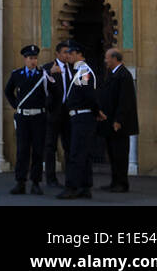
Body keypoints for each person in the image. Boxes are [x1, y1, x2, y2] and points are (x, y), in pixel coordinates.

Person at [4, 44, 58, 195]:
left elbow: (55, 93)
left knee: (37, 150)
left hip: (39, 117)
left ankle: (35, 182)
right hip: (23, 117)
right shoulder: (17, 74)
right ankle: (20, 182)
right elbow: (8, 91)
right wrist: (16, 105)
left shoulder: (43, 75)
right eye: (30, 58)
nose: (33, 61)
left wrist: (48, 107)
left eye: (35, 58)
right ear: (24, 59)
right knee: (22, 150)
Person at [57, 40, 98, 199]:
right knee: (83, 153)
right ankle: (84, 186)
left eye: (72, 53)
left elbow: (89, 95)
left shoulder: (83, 71)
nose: (69, 56)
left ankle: (72, 187)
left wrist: (96, 111)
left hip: (82, 117)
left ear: (79, 54)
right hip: (80, 116)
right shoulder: (78, 70)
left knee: (75, 154)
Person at [97, 48, 139, 192]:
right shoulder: (113, 74)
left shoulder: (124, 75)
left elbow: (125, 101)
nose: (105, 61)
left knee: (120, 155)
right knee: (113, 154)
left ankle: (122, 183)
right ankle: (114, 182)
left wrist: (118, 120)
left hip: (119, 125)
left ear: (115, 59)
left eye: (107, 58)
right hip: (110, 123)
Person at [44, 40, 72, 187]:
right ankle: (51, 178)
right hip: (53, 112)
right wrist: (49, 73)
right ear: (57, 54)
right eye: (65, 52)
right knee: (50, 146)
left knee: (69, 145)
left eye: (69, 52)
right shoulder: (49, 68)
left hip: (67, 113)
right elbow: (39, 83)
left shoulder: (72, 69)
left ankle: (70, 178)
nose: (67, 55)